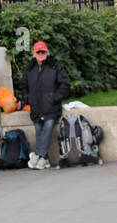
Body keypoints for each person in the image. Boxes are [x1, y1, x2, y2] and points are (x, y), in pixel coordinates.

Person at [21, 41, 69, 169]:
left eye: (43, 52)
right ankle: (44, 159)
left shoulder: (55, 66)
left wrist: (55, 97)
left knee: (48, 127)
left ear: (47, 52)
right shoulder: (29, 69)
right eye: (38, 52)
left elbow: (64, 84)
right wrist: (28, 99)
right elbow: (24, 87)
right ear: (34, 54)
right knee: (38, 131)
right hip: (36, 108)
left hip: (51, 107)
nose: (41, 54)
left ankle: (38, 155)